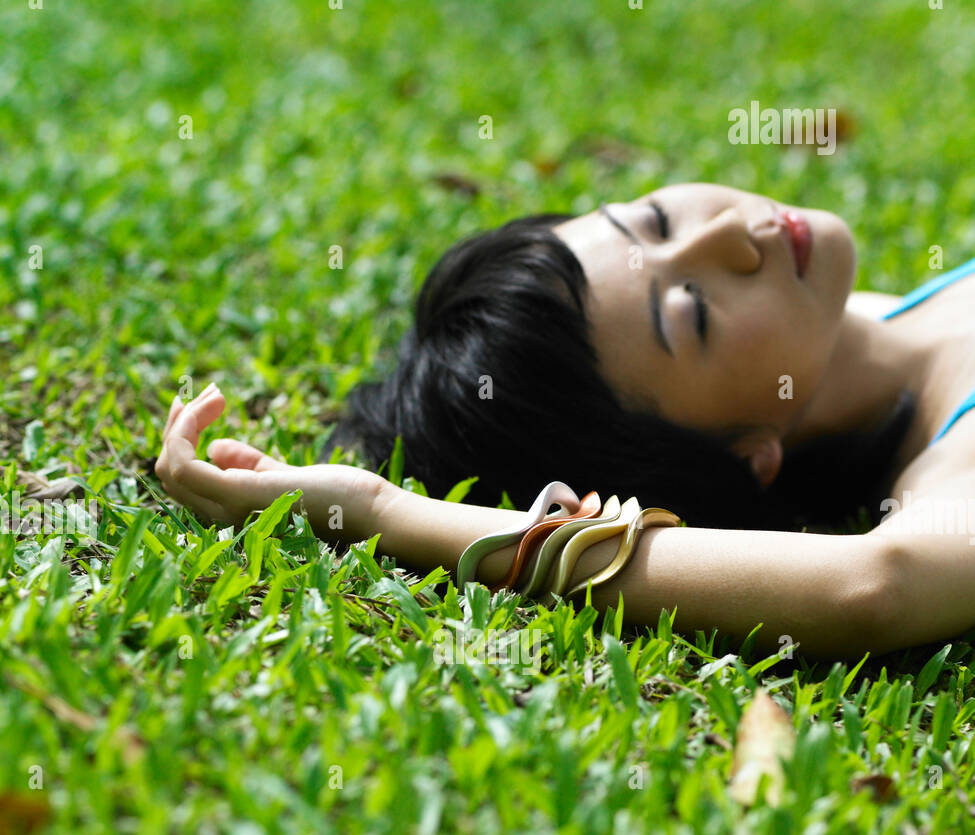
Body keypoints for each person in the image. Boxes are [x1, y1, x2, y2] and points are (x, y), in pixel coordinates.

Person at [153, 183, 975, 659]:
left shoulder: (891, 317)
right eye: (691, 314)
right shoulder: (954, 463)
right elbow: (874, 586)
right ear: (739, 455)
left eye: (653, 220)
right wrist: (389, 514)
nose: (729, 232)